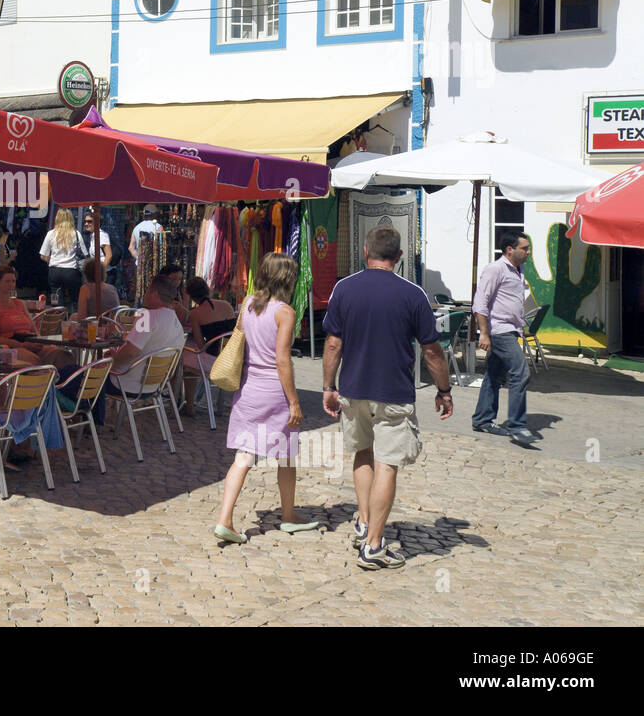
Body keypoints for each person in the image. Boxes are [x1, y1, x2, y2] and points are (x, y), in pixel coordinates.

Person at [321, 226, 453, 571]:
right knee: (387, 463)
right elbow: (432, 351)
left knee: (363, 453)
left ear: (365, 252)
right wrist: (444, 389)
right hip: (392, 391)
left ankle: (365, 523)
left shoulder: (344, 288)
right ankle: (374, 545)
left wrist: (327, 386)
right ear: (399, 257)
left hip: (352, 388)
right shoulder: (413, 294)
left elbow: (333, 344)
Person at [213, 254, 320, 543]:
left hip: (248, 389)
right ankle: (288, 515)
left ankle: (225, 519)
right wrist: (294, 401)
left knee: (243, 456)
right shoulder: (284, 312)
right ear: (287, 280)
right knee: (286, 456)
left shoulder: (247, 304)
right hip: (274, 392)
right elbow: (282, 360)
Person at [472, 232, 537, 444]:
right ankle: (517, 426)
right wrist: (484, 333)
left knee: (494, 375)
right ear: (510, 249)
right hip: (500, 330)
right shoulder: (495, 269)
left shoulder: (519, 269)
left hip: (512, 329)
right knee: (521, 372)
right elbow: (480, 302)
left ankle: (483, 419)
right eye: (524, 248)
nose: (528, 252)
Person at [106, 275, 187, 400]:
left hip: (125, 383)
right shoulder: (175, 321)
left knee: (83, 379)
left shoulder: (146, 316)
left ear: (154, 294)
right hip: (153, 386)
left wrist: (112, 360)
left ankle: (87, 418)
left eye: (148, 290)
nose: (145, 294)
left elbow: (130, 352)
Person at [0, 265, 57, 365]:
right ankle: (42, 378)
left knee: (61, 355)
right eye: (7, 281)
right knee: (34, 360)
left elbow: (34, 330)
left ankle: (58, 379)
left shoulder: (19, 303)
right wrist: (22, 345)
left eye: (13, 281)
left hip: (29, 342)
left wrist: (39, 342)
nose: (11, 284)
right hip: (10, 347)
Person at [40, 209, 88, 308]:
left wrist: (52, 260)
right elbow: (85, 254)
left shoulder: (51, 233)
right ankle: (75, 320)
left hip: (54, 272)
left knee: (56, 301)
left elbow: (43, 255)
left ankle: (57, 319)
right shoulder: (76, 234)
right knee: (75, 300)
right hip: (71, 272)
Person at [188, 277, 236, 350]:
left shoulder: (194, 314)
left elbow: (201, 345)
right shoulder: (227, 305)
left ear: (191, 296)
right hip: (233, 351)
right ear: (207, 290)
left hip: (214, 355)